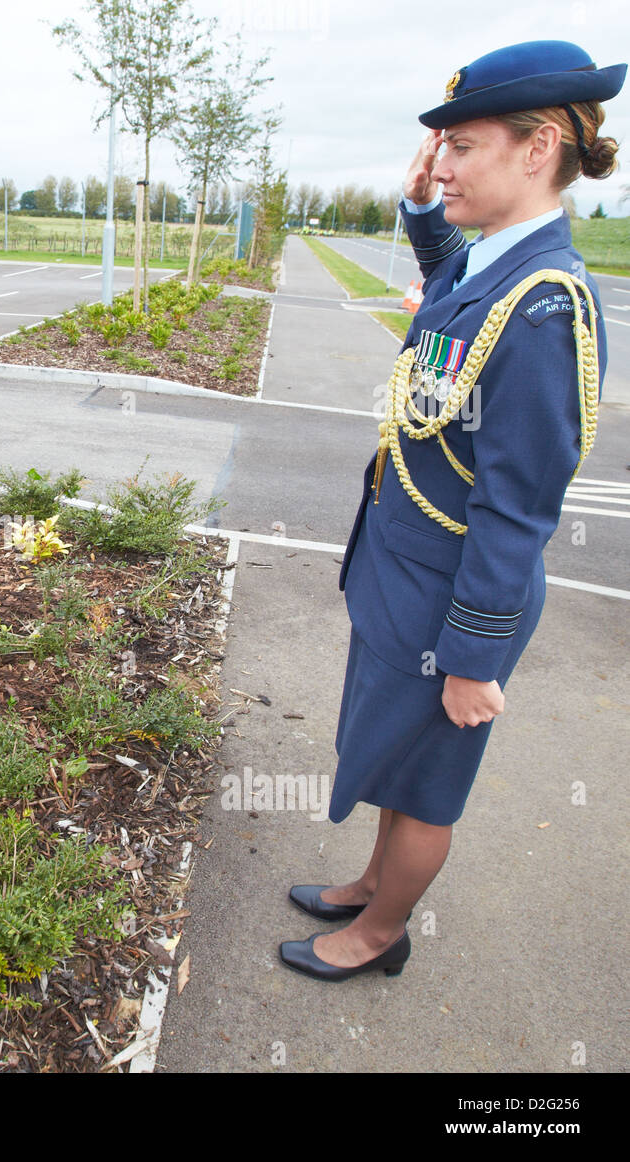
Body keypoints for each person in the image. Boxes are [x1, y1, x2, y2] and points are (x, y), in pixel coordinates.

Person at [279, 40, 624, 981]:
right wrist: (428, 214)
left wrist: (474, 656)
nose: (440, 163)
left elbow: (520, 509)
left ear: (537, 146)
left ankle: (380, 934)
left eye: (461, 146)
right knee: (392, 753)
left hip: (452, 596)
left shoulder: (549, 308)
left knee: (428, 785)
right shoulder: (501, 264)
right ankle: (369, 884)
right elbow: (457, 295)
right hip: (409, 570)